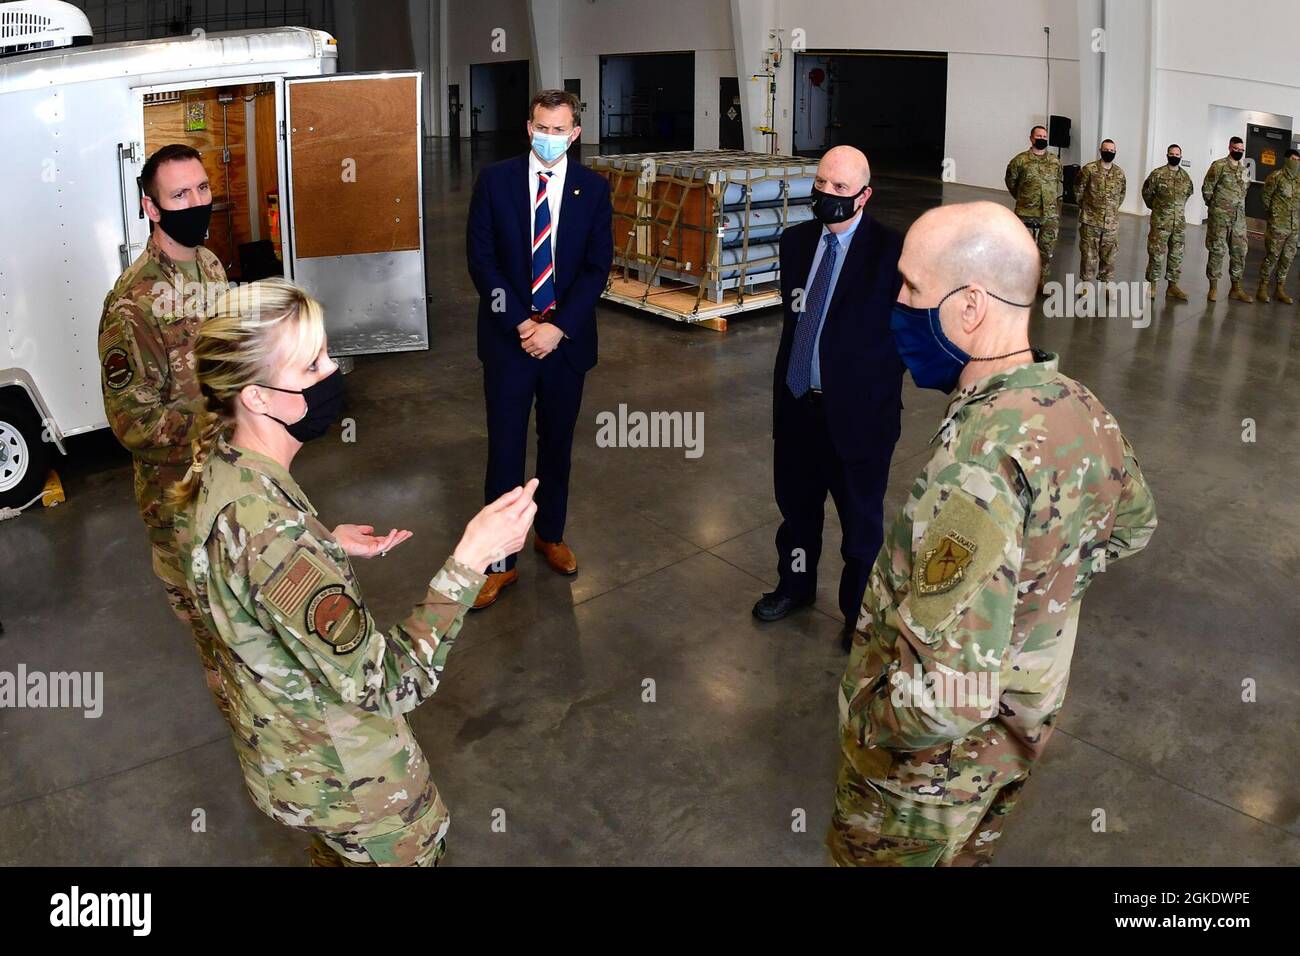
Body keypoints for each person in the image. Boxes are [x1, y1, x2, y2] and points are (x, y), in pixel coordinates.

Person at [828, 201, 1157, 866]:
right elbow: (1136, 526)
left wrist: (860, 714)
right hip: (1014, 740)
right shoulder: (1078, 406)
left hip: (923, 783)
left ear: (970, 305)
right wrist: (1037, 596)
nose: (898, 300)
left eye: (913, 288)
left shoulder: (979, 460)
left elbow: (946, 698)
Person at [172, 279, 538, 866]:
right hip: (356, 788)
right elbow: (391, 682)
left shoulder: (225, 463)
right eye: (311, 365)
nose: (333, 370)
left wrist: (322, 540)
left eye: (326, 353)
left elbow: (249, 575)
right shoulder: (275, 539)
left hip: (294, 762)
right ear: (258, 397)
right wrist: (470, 559)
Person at [753, 145, 904, 653]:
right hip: (797, 406)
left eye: (840, 189)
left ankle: (857, 614)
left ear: (864, 196)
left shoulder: (892, 253)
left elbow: (910, 334)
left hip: (858, 418)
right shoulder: (795, 243)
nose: (827, 195)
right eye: (821, 184)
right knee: (797, 512)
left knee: (861, 525)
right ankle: (794, 587)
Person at [466, 89, 613, 610]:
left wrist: (558, 328)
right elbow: (482, 261)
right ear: (528, 128)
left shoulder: (592, 191)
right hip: (509, 343)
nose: (549, 139)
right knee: (504, 450)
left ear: (575, 135)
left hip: (565, 345)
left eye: (560, 131)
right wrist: (522, 322)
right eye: (541, 129)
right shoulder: (496, 181)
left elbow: (598, 267)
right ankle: (499, 562)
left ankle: (550, 534)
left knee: (556, 445)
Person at [97, 143, 230, 717]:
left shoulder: (210, 266)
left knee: (247, 620)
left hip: (232, 483)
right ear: (152, 208)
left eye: (202, 190)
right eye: (180, 195)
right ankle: (258, 753)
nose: (196, 203)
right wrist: (220, 421)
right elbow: (132, 422)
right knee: (217, 638)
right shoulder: (132, 304)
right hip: (180, 502)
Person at [1004, 125, 1063, 292]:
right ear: (1031, 138)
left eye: (1044, 137)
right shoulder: (1020, 160)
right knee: (1023, 250)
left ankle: (1041, 279)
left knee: (1046, 249)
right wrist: (1023, 198)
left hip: (1049, 214)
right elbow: (1011, 182)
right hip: (1026, 212)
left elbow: (1057, 181)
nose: (1042, 139)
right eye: (1039, 136)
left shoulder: (1054, 161)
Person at [1202, 136, 1253, 302]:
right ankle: (1213, 288)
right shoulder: (1219, 166)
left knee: (1239, 253)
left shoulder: (1244, 170)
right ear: (1229, 148)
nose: (1238, 152)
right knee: (1217, 251)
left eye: (1241, 150)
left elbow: (1245, 189)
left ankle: (1235, 288)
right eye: (1236, 149)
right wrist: (1216, 209)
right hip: (1220, 219)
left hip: (1238, 220)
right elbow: (1207, 189)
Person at [1140, 143, 1193, 301]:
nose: (1175, 156)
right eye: (1172, 154)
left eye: (1177, 154)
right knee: (1156, 254)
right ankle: (1153, 285)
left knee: (1176, 255)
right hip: (1161, 223)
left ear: (1181, 156)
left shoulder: (1185, 177)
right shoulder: (1158, 174)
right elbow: (1147, 193)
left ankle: (1172, 286)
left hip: (1179, 225)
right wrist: (1157, 209)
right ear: (1167, 155)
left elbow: (1188, 194)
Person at [1074, 139, 1127, 287]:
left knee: (1109, 256)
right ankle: (1086, 285)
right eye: (1106, 150)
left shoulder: (1119, 173)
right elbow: (1078, 191)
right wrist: (1088, 209)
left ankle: (1107, 285)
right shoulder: (1089, 170)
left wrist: (1111, 211)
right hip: (1090, 222)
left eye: (1112, 151)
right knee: (1088, 255)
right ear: (1100, 150)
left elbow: (1121, 195)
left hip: (1111, 224)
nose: (1109, 153)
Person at [1255, 147, 1300, 303]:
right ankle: (1262, 287)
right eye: (1293, 160)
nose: (1296, 163)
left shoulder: (1299, 179)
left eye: (1298, 160)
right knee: (1272, 257)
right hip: (1278, 226)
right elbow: (1265, 197)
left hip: (1294, 227)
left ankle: (1279, 289)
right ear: (1287, 160)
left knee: (1287, 258)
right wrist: (1274, 215)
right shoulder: (1276, 177)